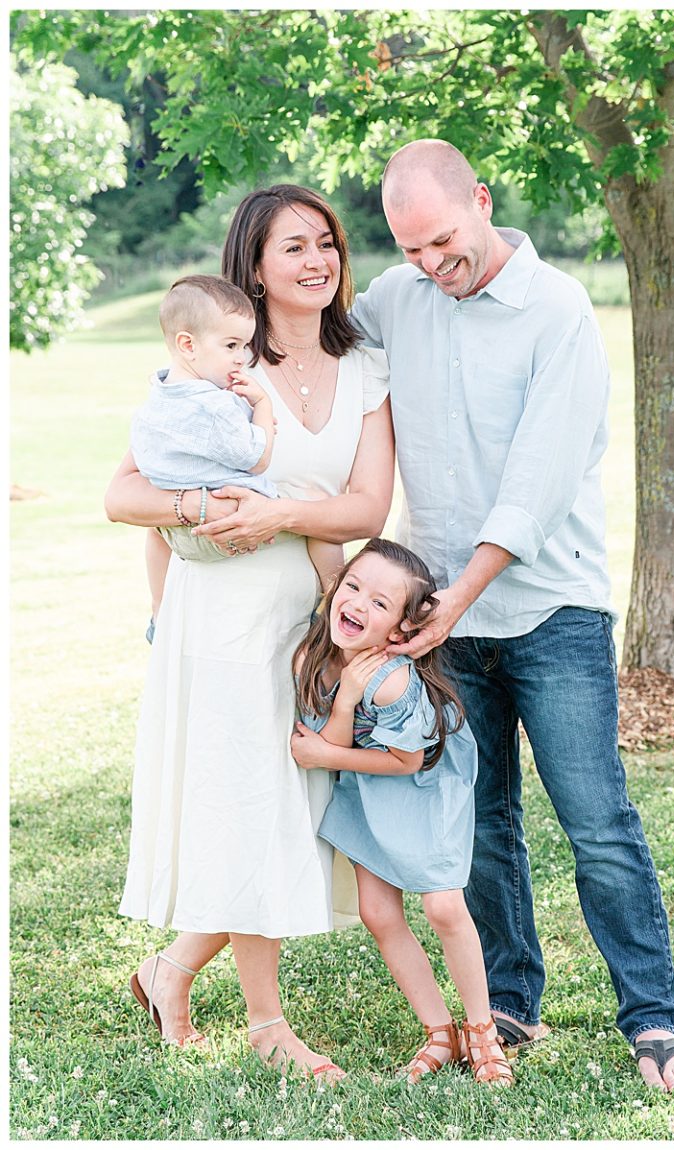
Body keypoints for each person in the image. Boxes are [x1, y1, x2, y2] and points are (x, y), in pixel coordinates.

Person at [349, 138, 674, 1091]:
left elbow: (539, 482)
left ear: (482, 199)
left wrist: (454, 599)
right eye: (411, 249)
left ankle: (653, 1018)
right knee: (480, 823)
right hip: (442, 617)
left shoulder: (559, 309)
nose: (432, 263)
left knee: (597, 821)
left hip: (552, 611)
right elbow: (318, 345)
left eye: (443, 240)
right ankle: (508, 1000)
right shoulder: (396, 301)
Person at [108, 184, 396, 1079]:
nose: (317, 261)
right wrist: (203, 507)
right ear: (256, 269)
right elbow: (124, 494)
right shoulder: (222, 362)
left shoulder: (365, 366)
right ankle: (268, 1026)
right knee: (249, 803)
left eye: (326, 242)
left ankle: (170, 971)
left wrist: (276, 514)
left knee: (287, 806)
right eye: (293, 247)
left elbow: (368, 506)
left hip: (313, 618)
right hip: (224, 616)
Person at [288, 538, 513, 1087]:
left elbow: (406, 759)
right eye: (353, 586)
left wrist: (326, 753)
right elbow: (334, 741)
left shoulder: (390, 680)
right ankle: (440, 1032)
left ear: (399, 631)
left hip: (422, 786)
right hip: (366, 788)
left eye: (380, 603)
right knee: (378, 912)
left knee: (443, 907)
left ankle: (482, 1032)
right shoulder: (312, 660)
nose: (358, 604)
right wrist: (344, 701)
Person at [134, 274, 343, 640]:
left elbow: (145, 458)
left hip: (176, 532)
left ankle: (158, 611)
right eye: (231, 345)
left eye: (244, 346)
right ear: (188, 345)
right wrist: (261, 406)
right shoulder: (217, 405)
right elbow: (256, 458)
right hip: (230, 519)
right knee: (318, 512)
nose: (242, 357)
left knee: (153, 532)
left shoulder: (157, 398)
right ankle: (331, 604)